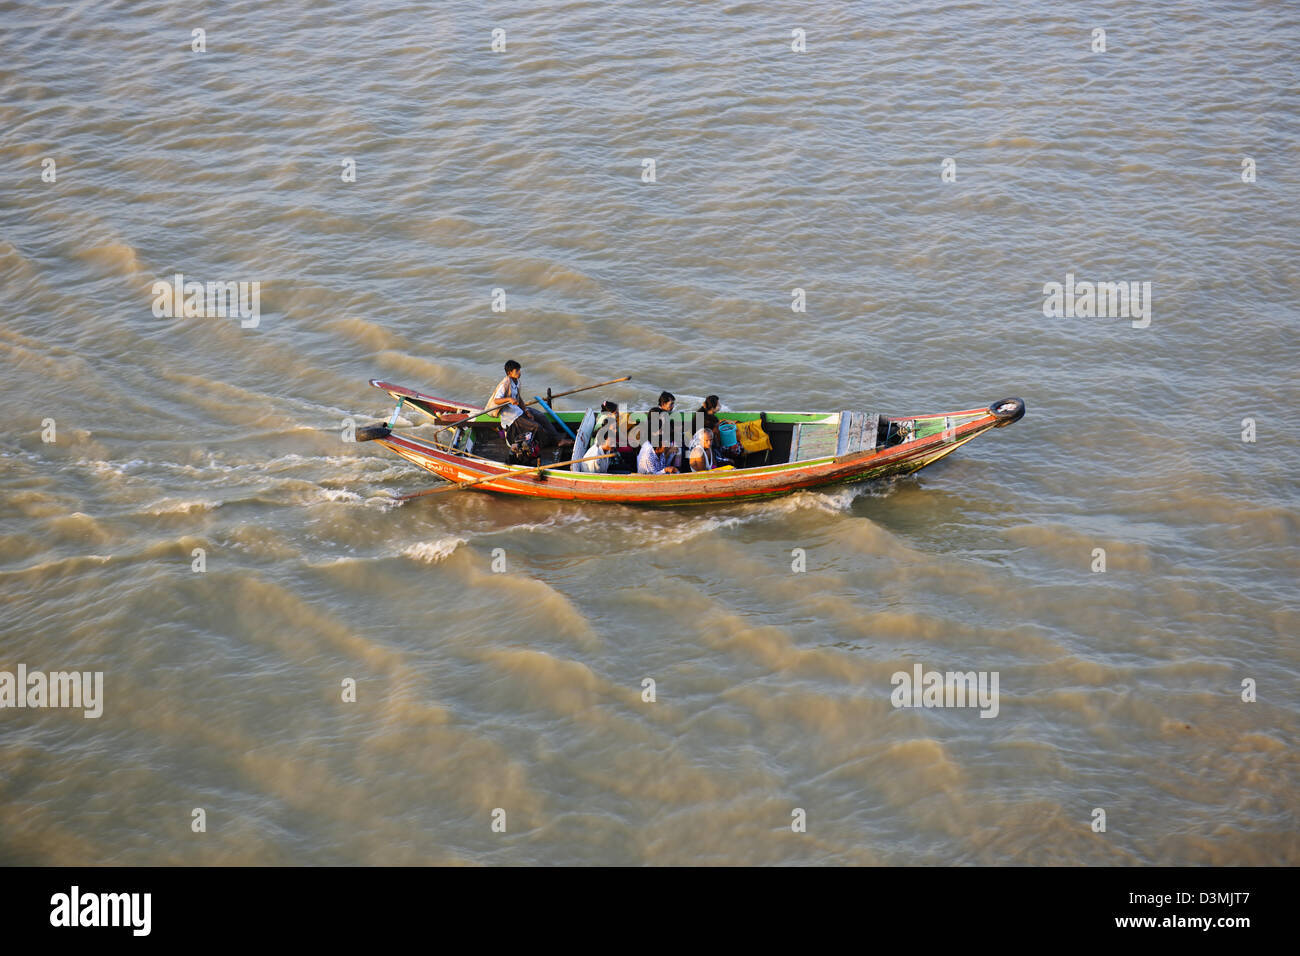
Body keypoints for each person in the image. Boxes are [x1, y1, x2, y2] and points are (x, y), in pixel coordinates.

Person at [484, 360, 572, 451]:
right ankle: (553, 442)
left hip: (518, 409)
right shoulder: (505, 384)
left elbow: (519, 398)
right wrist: (509, 399)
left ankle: (558, 439)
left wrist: (526, 411)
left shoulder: (517, 382)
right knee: (536, 426)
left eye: (519, 370)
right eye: (517, 371)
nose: (519, 372)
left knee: (541, 416)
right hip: (512, 417)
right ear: (510, 373)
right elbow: (496, 400)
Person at [643, 391, 682, 469]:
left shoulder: (659, 412)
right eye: (671, 404)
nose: (673, 406)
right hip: (657, 443)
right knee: (678, 450)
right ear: (664, 404)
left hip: (661, 440)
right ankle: (673, 468)